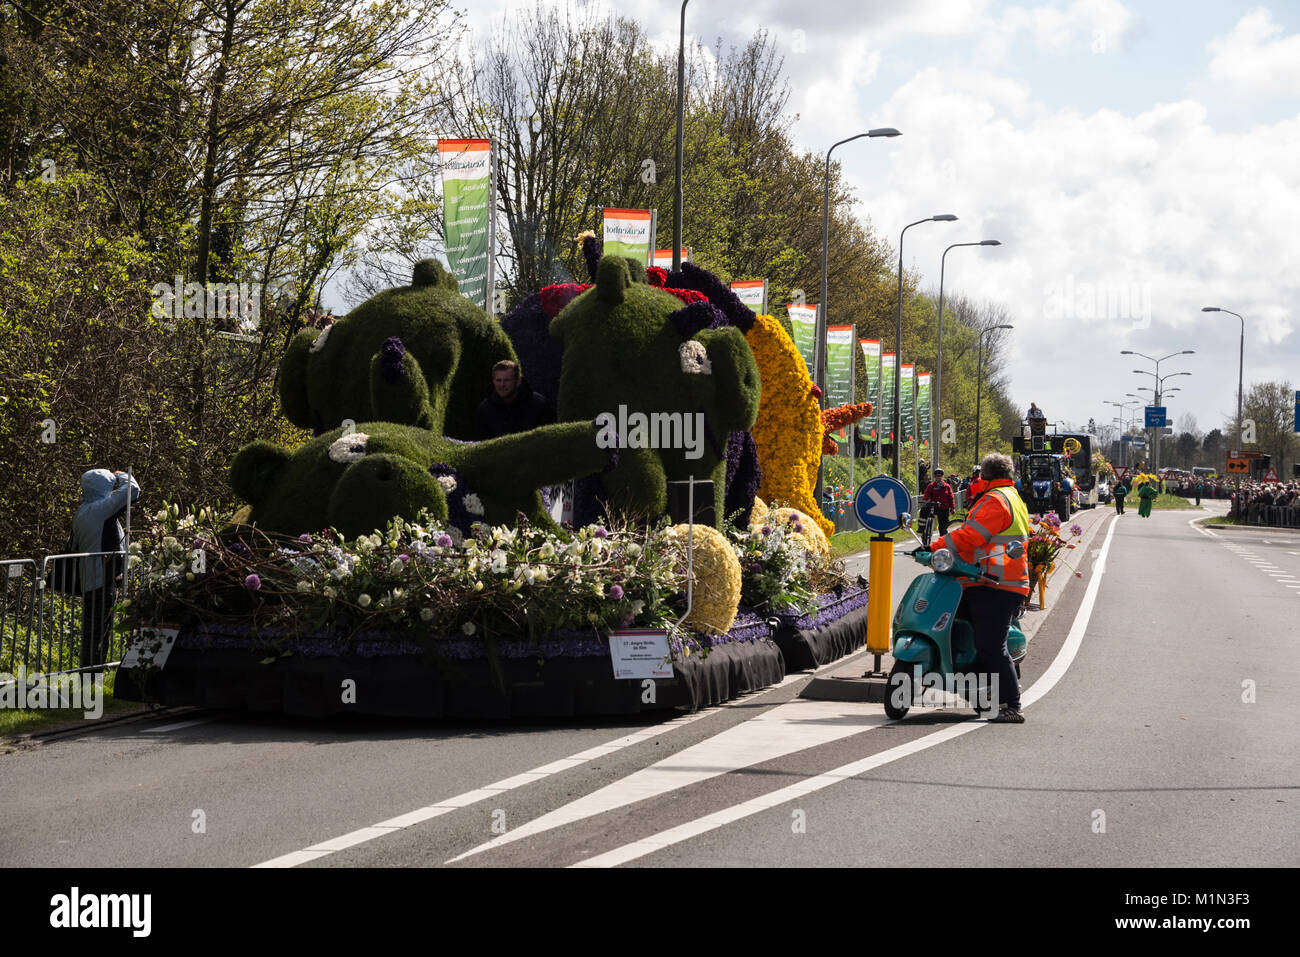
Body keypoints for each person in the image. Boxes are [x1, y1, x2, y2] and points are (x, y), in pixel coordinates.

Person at [929, 453, 1030, 723]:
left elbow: (971, 536)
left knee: (991, 645)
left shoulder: (995, 499)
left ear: (984, 475)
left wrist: (935, 546)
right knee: (969, 635)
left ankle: (1012, 705)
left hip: (996, 582)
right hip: (991, 580)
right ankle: (981, 690)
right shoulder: (1011, 496)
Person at [73, 468, 142, 669]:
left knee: (92, 631)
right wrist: (122, 475)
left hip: (89, 578)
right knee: (99, 632)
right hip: (102, 578)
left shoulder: (82, 511)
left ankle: (88, 674)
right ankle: (92, 675)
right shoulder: (99, 509)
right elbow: (133, 490)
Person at [474, 359, 556, 440]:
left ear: (518, 381)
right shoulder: (485, 410)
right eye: (498, 380)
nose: (502, 385)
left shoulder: (539, 404)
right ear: (493, 381)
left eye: (507, 380)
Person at [922, 467, 956, 536]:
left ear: (942, 476)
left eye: (940, 476)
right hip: (934, 506)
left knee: (943, 526)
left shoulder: (947, 486)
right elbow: (927, 494)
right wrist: (925, 500)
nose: (939, 477)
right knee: (924, 510)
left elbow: (951, 497)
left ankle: (943, 538)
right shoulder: (931, 485)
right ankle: (922, 527)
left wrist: (952, 507)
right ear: (935, 477)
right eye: (937, 476)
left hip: (944, 507)